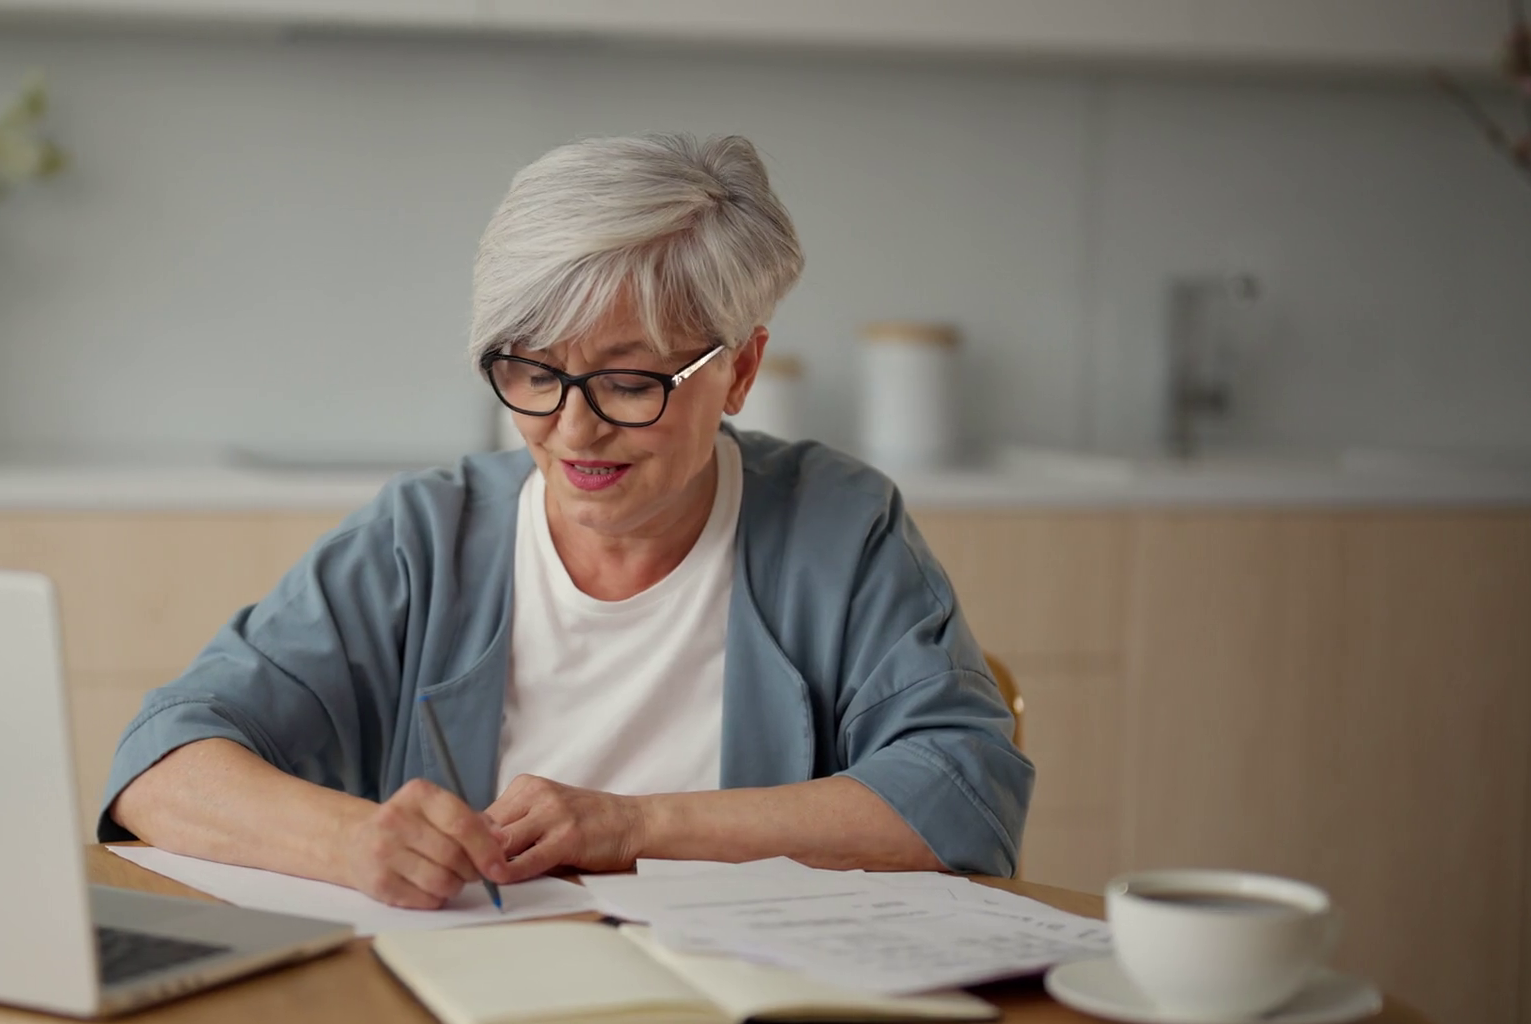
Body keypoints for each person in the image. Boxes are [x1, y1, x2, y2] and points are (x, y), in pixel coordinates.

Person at [101, 133, 1032, 909]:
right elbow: (162, 764)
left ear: (741, 372)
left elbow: (960, 795)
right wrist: (352, 841)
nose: (574, 428)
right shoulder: (426, 537)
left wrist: (635, 827)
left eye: (630, 382)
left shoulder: (837, 528)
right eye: (534, 374)